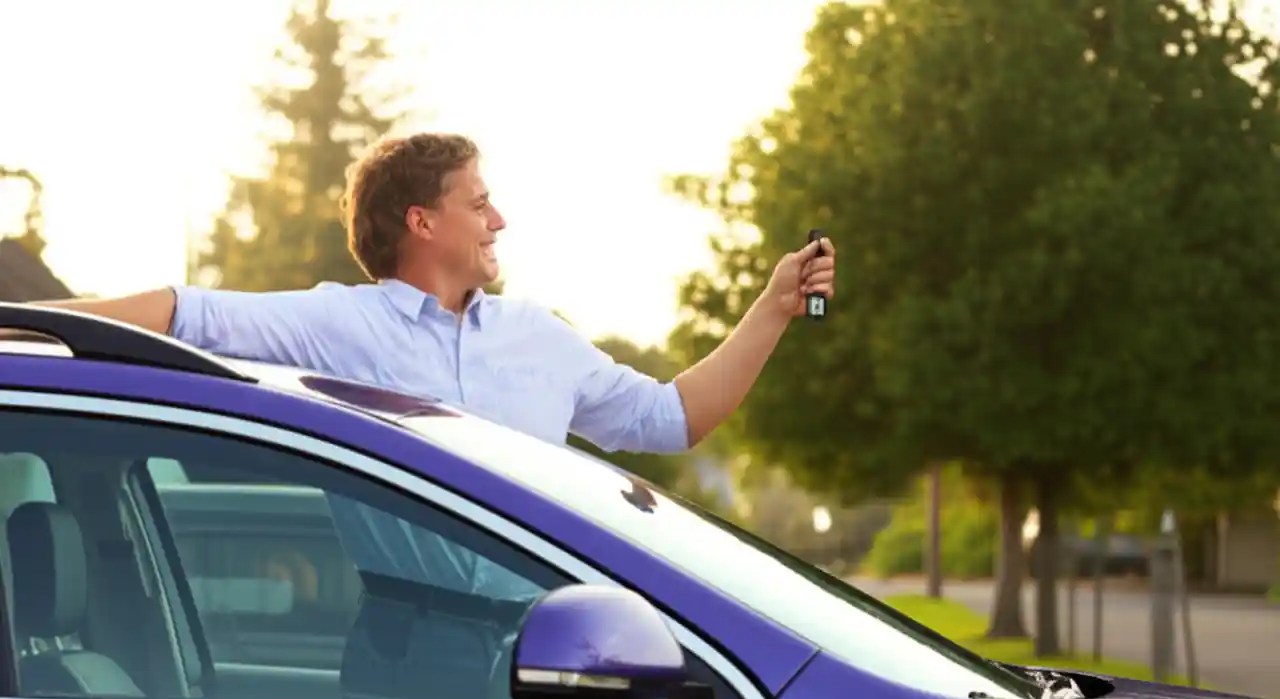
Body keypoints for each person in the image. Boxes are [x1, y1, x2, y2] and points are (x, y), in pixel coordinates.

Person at [33, 131, 837, 455]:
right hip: (404, 653)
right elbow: (184, 311)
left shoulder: (537, 335)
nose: (500, 219)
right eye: (477, 202)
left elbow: (670, 419)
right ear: (422, 221)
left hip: (543, 649)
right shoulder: (339, 323)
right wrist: (23, 325)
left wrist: (771, 309)